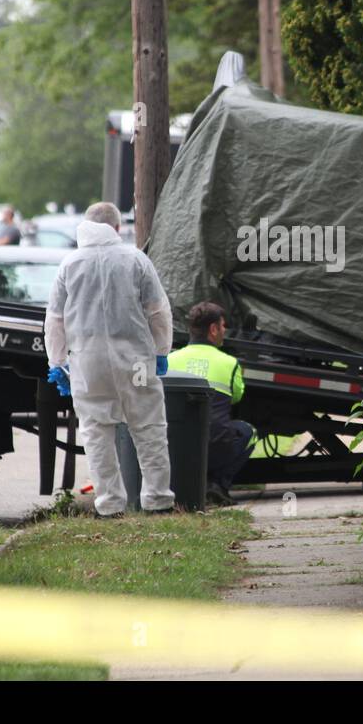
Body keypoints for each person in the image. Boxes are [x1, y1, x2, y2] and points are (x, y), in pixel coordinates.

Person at [44, 201, 174, 517]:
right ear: (116, 228)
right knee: (149, 428)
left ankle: (110, 505)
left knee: (97, 433)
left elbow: (55, 319)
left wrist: (57, 362)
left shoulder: (69, 265)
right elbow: (158, 311)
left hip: (88, 364)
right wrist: (161, 351)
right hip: (136, 361)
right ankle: (157, 500)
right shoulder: (136, 260)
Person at [167, 302, 255, 507]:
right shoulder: (229, 363)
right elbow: (236, 397)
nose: (224, 330)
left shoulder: (171, 359)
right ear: (213, 329)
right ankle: (217, 484)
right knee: (249, 432)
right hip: (215, 446)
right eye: (223, 326)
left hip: (177, 447)